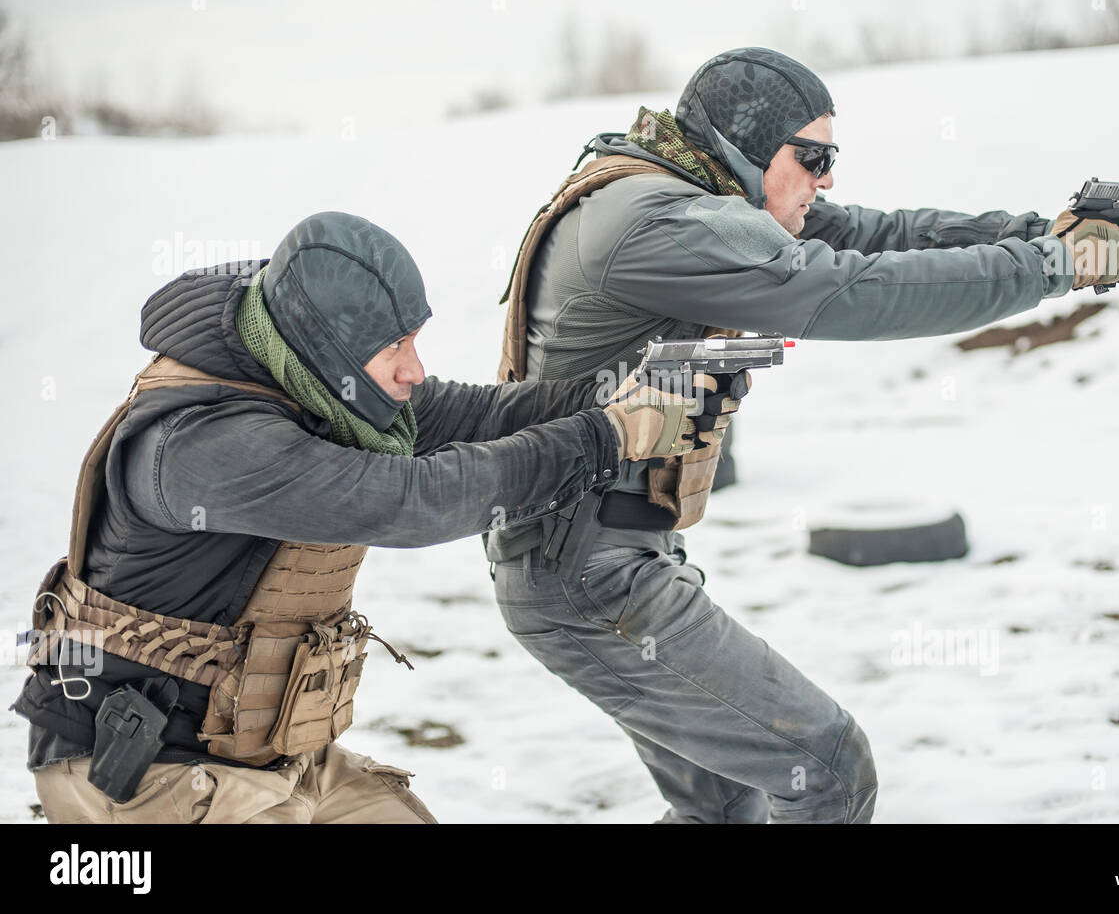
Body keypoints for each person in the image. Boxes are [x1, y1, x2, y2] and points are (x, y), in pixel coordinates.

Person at [485, 47, 1119, 823]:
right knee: (827, 768)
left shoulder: (689, 194)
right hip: (584, 577)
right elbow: (849, 289)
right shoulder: (661, 224)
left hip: (600, 558)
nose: (827, 179)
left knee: (726, 806)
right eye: (813, 158)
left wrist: (1045, 234)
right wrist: (1054, 265)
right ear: (746, 146)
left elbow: (874, 237)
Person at [12, 210, 736, 824]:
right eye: (394, 348)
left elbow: (480, 416)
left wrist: (636, 386)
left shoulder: (311, 380)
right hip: (138, 772)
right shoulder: (205, 446)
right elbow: (412, 498)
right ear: (326, 348)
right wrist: (608, 437)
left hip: (254, 755)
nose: (413, 369)